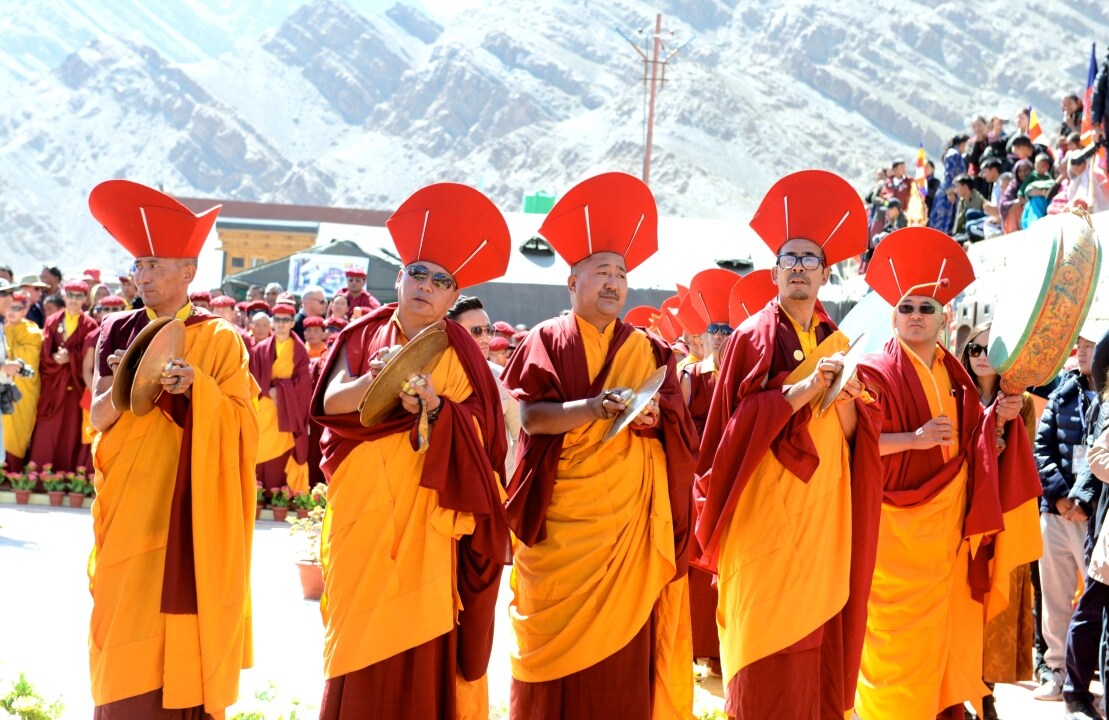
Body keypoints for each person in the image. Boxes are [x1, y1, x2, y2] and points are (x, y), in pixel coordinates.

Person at [311, 182, 512, 718]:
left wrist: (437, 408)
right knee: (355, 632)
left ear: (453, 296)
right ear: (399, 278)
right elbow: (331, 402)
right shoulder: (364, 334)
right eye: (418, 273)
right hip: (362, 517)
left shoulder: (462, 352)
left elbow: (484, 435)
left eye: (442, 281)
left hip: (427, 517)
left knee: (420, 637)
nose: (427, 286)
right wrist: (378, 380)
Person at [501, 172, 697, 719]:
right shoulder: (546, 338)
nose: (613, 283)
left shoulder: (648, 349)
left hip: (628, 536)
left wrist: (655, 417)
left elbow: (680, 428)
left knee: (620, 675)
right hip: (564, 528)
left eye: (621, 275)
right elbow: (532, 418)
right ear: (573, 281)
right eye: (602, 272)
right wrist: (593, 408)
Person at [696, 170, 879, 719]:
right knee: (763, 641)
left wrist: (845, 398)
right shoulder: (751, 337)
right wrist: (803, 389)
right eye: (789, 259)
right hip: (763, 516)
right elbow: (732, 430)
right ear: (774, 272)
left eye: (810, 259)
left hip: (824, 516)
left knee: (816, 644)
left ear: (825, 273)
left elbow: (856, 438)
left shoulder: (838, 342)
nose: (799, 267)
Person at [86, 180, 258, 718]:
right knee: (121, 617)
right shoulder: (117, 328)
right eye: (138, 265)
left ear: (188, 272)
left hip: (189, 511)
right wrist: (128, 382)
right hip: (130, 507)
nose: (143, 277)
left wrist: (193, 389)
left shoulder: (219, 339)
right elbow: (97, 417)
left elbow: (243, 426)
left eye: (155, 265)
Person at [855, 227, 1040, 719]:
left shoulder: (953, 374)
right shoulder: (872, 371)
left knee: (943, 644)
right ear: (894, 315)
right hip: (894, 537)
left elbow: (973, 440)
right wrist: (912, 440)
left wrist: (999, 419)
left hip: (948, 535)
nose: (916, 315)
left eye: (926, 308)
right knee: (893, 653)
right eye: (907, 307)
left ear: (945, 317)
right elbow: (853, 447)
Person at [960, 322, 1042, 720]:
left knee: (994, 607)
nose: (980, 357)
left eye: (987, 349)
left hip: (1002, 517)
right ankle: (959, 693)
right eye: (973, 349)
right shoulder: (955, 393)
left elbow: (1023, 459)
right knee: (962, 605)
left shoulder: (1020, 401)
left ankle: (985, 695)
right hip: (960, 514)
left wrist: (1007, 427)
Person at [1032, 330, 1098, 702]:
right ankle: (1057, 670)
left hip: (1095, 517)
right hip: (1055, 513)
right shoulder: (1063, 392)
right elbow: (1042, 448)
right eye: (1082, 346)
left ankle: (1088, 678)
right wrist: (1058, 497)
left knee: (1095, 600)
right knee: (1055, 598)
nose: (1084, 353)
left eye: (1092, 347)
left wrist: (1086, 501)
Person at [446, 294, 521, 479]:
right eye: (476, 331)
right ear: (453, 331)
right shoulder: (438, 377)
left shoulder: (502, 378)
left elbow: (519, 437)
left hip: (499, 484)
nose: (486, 338)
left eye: (489, 330)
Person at [27, 278, 98, 472]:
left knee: (71, 429)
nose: (74, 300)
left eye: (78, 296)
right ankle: (39, 473)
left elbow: (90, 359)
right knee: (47, 428)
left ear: (85, 299)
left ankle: (68, 475)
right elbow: (43, 354)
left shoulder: (90, 325)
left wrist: (71, 356)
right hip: (53, 385)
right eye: (70, 295)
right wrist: (54, 357)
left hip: (75, 386)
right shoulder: (52, 321)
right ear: (64, 296)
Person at [250, 302, 311, 497]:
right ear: (273, 323)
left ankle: (282, 495)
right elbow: (252, 378)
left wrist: (281, 391)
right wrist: (269, 392)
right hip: (265, 407)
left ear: (292, 323)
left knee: (283, 451)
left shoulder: (300, 351)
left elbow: (303, 384)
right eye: (277, 320)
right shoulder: (260, 349)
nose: (281, 324)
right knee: (260, 448)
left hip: (287, 410)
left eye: (286, 320)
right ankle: (258, 494)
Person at [2, 289, 42, 473]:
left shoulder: (33, 331)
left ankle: (13, 472)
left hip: (23, 390)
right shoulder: (3, 328)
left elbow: (26, 361)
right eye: (10, 307)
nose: (12, 312)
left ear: (26, 309)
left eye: (17, 308)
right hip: (4, 385)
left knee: (17, 431)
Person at [930, 134, 969, 234]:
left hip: (953, 192)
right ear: (962, 144)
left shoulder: (956, 154)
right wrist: (950, 192)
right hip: (948, 193)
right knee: (942, 222)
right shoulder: (953, 154)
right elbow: (949, 174)